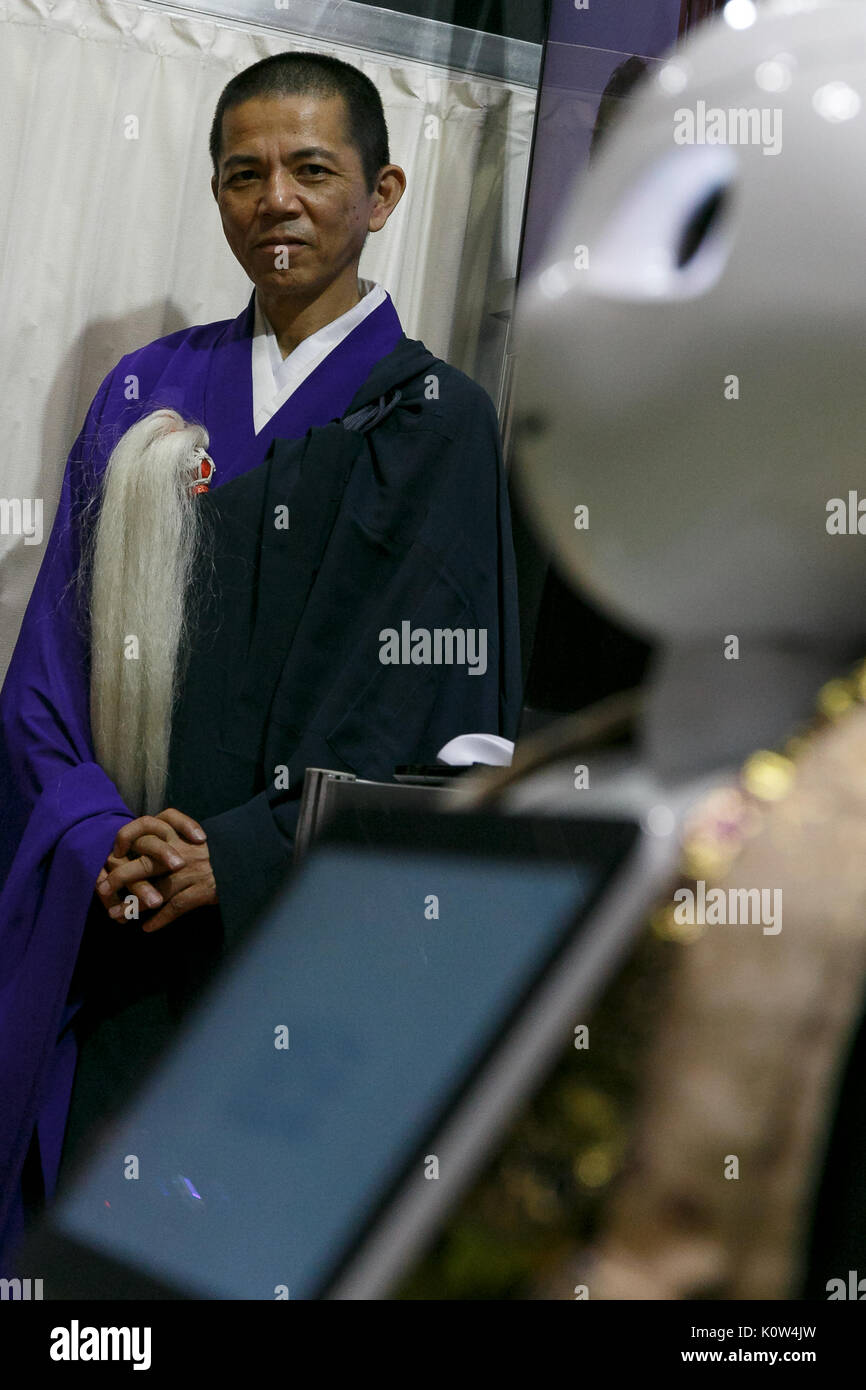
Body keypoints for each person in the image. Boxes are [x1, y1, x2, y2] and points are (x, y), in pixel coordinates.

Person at [0, 51, 522, 1271]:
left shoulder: (433, 422)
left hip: (290, 948)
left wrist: (238, 852)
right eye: (243, 175)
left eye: (310, 170)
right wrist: (94, 836)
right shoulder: (146, 392)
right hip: (118, 922)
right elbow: (47, 678)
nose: (273, 201)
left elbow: (431, 708)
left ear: (382, 193)